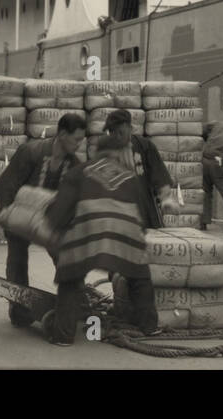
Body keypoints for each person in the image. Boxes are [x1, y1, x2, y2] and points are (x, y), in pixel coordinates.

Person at [44, 132, 164, 346]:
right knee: (140, 277)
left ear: (96, 151)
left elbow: (60, 212)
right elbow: (143, 216)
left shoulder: (78, 173)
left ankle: (63, 335)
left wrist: (56, 230)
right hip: (126, 236)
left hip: (88, 235)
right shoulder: (132, 178)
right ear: (119, 154)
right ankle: (149, 326)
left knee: (69, 278)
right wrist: (139, 241)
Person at [0, 113, 86, 328]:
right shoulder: (31, 152)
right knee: (17, 259)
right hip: (19, 210)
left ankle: (77, 303)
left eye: (82, 140)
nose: (80, 145)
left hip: (49, 216)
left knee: (65, 256)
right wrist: (6, 217)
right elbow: (9, 186)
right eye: (76, 139)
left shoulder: (74, 164)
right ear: (62, 134)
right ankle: (18, 309)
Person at [102, 109, 173, 230]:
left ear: (131, 128)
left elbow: (160, 175)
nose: (117, 137)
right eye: (112, 132)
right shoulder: (105, 150)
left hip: (146, 210)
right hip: (117, 213)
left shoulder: (145, 146)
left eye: (121, 132)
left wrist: (166, 198)